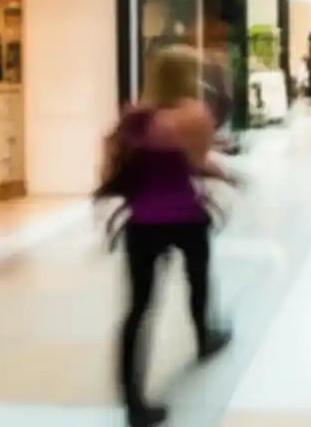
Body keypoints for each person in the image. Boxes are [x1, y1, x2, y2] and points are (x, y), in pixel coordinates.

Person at [98, 45, 236, 427]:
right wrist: (225, 174)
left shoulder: (133, 119)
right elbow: (195, 161)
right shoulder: (195, 115)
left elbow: (111, 166)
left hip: (142, 222)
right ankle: (204, 337)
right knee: (198, 280)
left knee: (138, 308)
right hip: (185, 216)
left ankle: (133, 400)